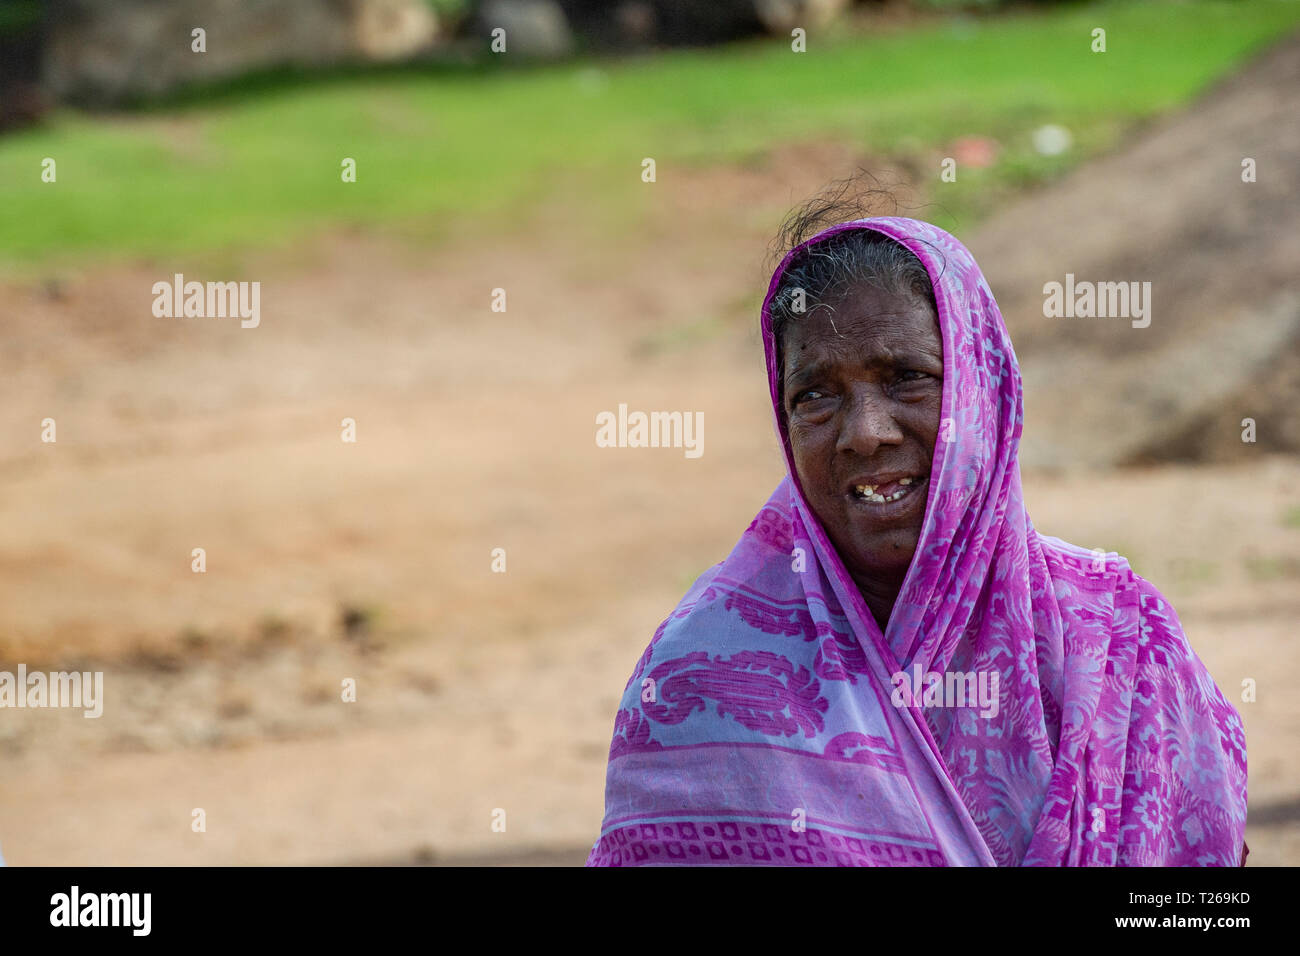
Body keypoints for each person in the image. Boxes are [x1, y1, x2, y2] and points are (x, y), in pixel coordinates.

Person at [586, 209, 1248, 866]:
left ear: (979, 391)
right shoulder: (703, 673)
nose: (866, 432)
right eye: (815, 395)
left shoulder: (1120, 643)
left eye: (906, 378)